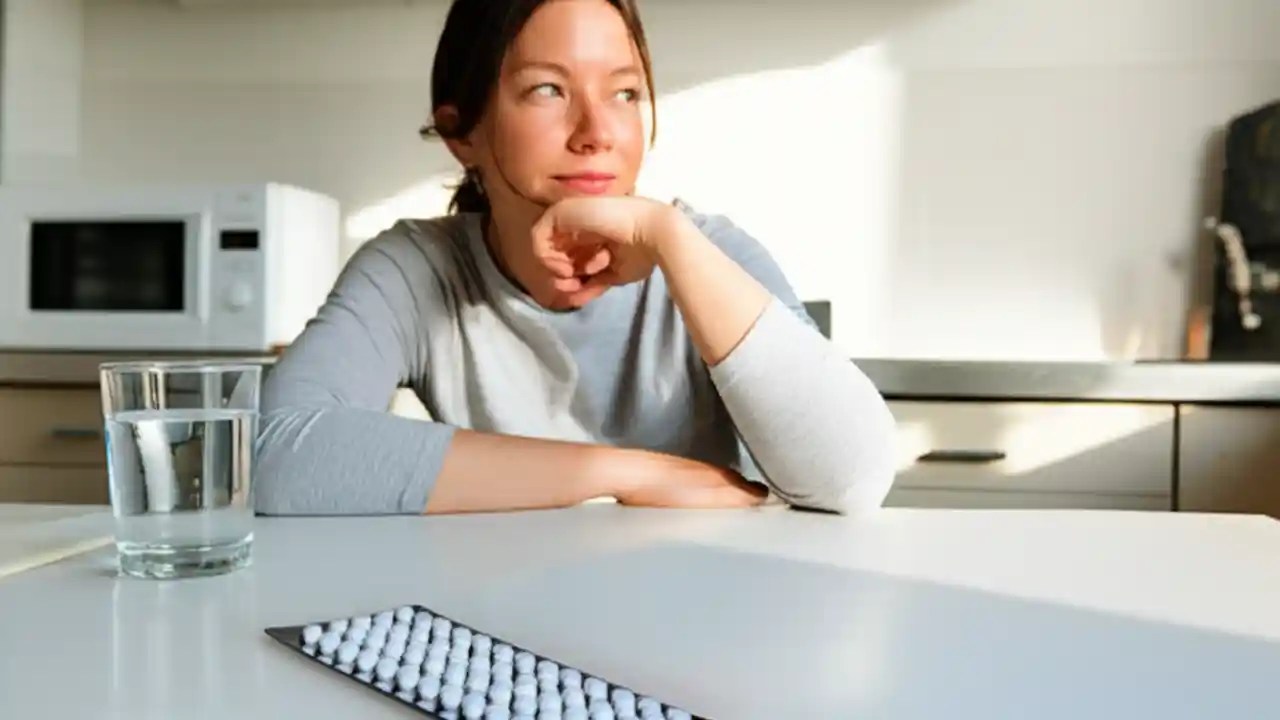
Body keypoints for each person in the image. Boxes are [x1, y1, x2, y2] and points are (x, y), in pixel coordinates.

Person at [255, 0, 896, 516]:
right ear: (461, 133)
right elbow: (276, 453)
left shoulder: (704, 251)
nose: (597, 131)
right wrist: (623, 473)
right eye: (547, 90)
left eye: (624, 94)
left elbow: (853, 480)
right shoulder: (417, 269)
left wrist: (669, 239)